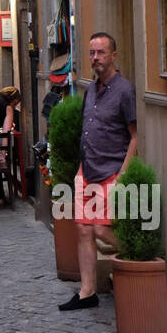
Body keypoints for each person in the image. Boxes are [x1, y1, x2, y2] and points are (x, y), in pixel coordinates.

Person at [60, 32, 137, 311]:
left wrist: (123, 175)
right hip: (88, 169)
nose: (95, 58)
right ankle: (87, 292)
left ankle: (137, 256)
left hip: (111, 171)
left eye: (101, 53)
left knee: (102, 231)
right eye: (92, 53)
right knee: (83, 229)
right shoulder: (91, 88)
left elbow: (136, 136)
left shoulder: (125, 90)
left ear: (113, 55)